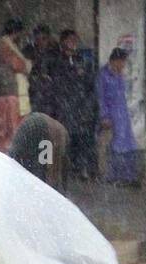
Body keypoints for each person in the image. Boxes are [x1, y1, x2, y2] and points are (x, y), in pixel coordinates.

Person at [50, 29, 97, 178]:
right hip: (63, 107)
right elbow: (54, 84)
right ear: (63, 42)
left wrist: (88, 106)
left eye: (75, 40)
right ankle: (64, 170)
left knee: (81, 139)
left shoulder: (81, 60)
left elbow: (90, 84)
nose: (73, 43)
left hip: (80, 108)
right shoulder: (56, 60)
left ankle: (80, 169)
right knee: (63, 140)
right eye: (70, 40)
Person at [97, 48, 139, 184]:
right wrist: (104, 116)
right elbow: (101, 97)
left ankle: (129, 176)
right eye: (122, 62)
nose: (123, 66)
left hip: (123, 115)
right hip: (112, 115)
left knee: (128, 146)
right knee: (114, 146)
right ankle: (114, 177)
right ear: (115, 61)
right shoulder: (103, 75)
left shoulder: (120, 75)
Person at [0, 18, 32, 154]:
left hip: (10, 93)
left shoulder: (6, 44)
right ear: (17, 32)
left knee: (10, 133)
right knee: (9, 133)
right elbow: (17, 64)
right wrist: (27, 65)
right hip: (8, 94)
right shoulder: (4, 44)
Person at [10, 111, 69, 193]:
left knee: (41, 170)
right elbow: (64, 167)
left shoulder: (29, 126)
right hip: (50, 135)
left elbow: (14, 155)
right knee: (44, 170)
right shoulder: (61, 131)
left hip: (35, 130)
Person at [25, 24, 60, 117]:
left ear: (48, 38)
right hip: (33, 93)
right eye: (38, 38)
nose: (41, 41)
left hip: (50, 94)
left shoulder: (55, 52)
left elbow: (57, 71)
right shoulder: (29, 51)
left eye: (44, 38)